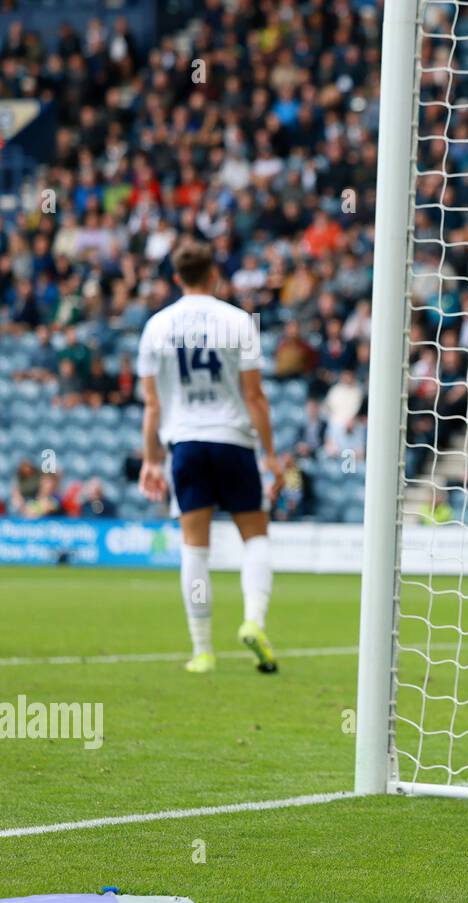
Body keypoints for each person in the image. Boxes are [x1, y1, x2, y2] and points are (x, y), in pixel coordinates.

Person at [136, 239, 281, 675]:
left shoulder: (156, 326)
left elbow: (152, 406)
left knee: (194, 549)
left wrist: (151, 460)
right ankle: (253, 622)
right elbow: (255, 396)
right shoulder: (238, 321)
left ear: (177, 278)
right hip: (233, 440)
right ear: (214, 275)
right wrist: (271, 454)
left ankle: (202, 650)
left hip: (186, 444)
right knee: (254, 538)